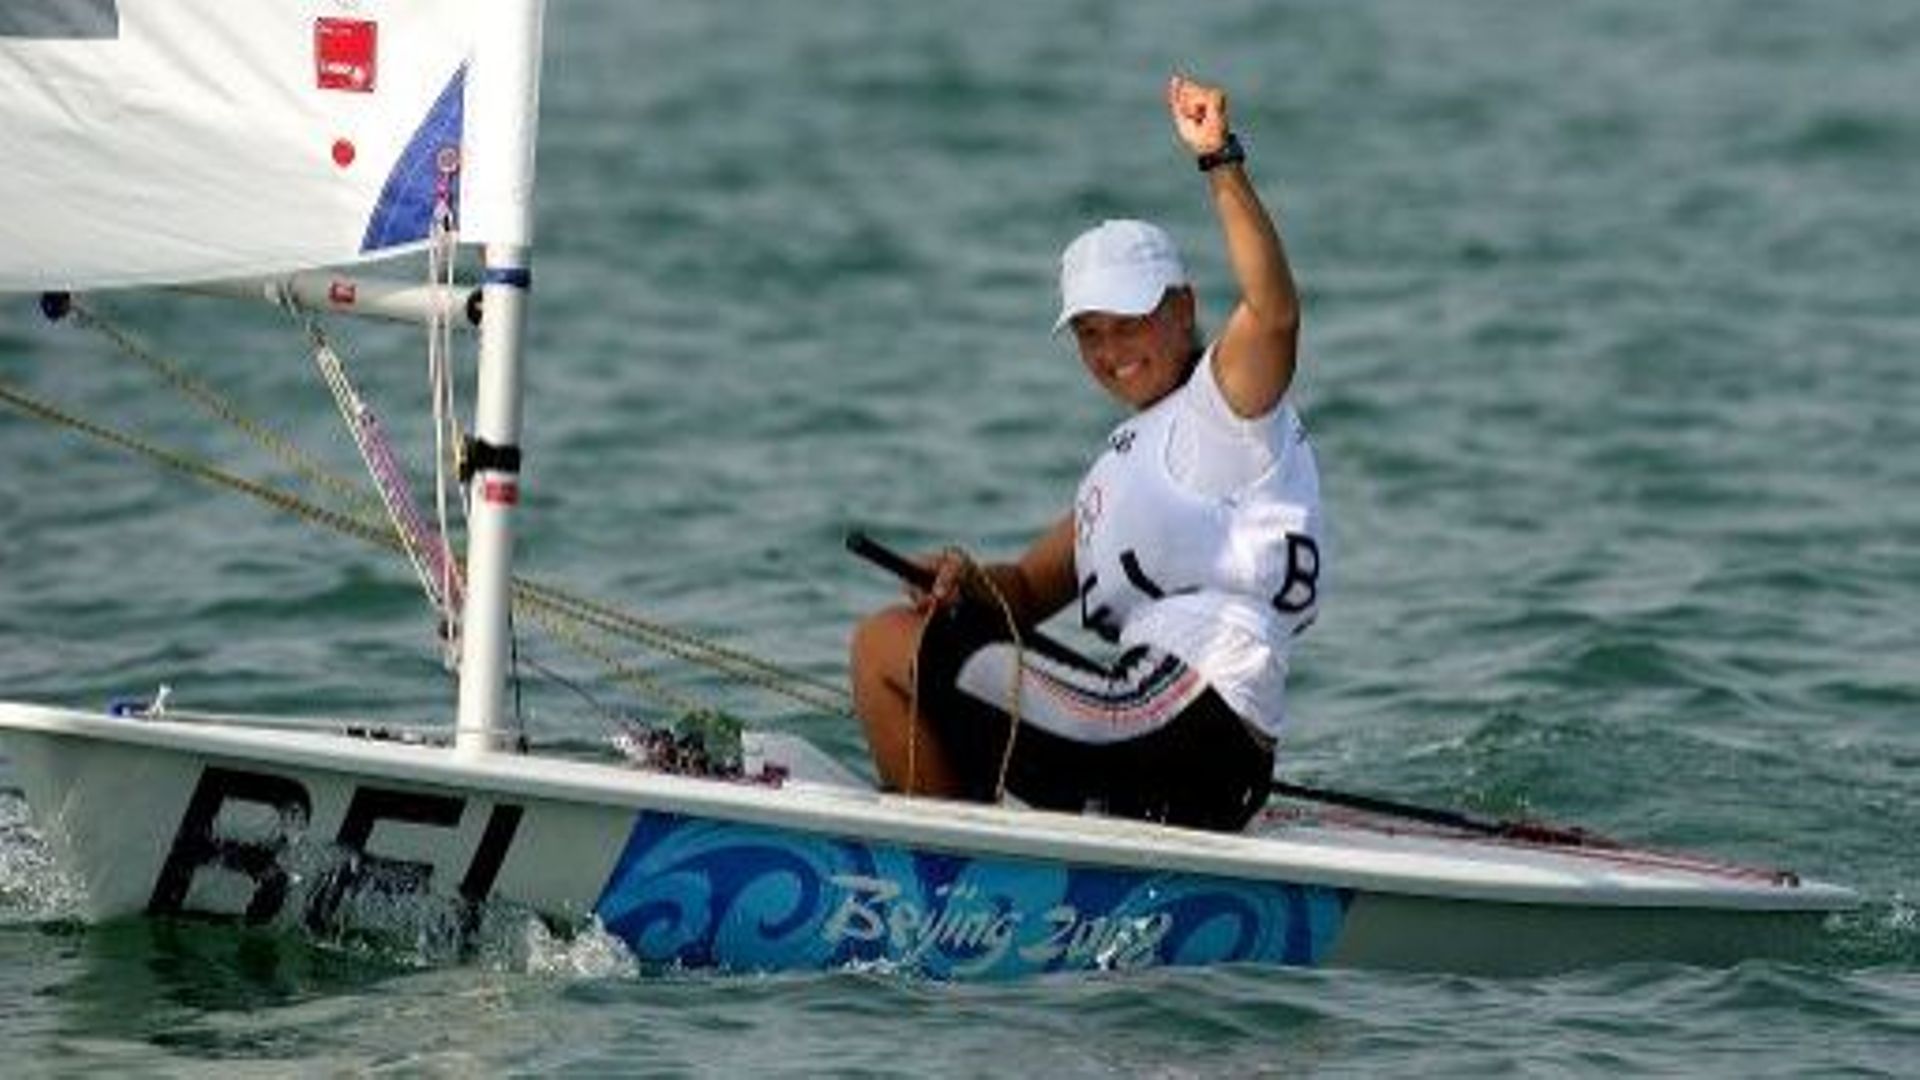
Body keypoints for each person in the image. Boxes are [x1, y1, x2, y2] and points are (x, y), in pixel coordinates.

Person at [849, 74, 1323, 833]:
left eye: (1129, 324)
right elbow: (1028, 591)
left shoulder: (1228, 404)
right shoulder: (1123, 465)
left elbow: (1275, 311)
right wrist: (963, 581)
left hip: (1189, 725)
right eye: (1090, 333)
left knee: (885, 647)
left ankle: (940, 875)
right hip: (1156, 727)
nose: (1111, 352)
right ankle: (957, 855)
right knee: (910, 643)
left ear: (1184, 310)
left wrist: (1219, 159)